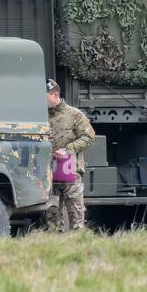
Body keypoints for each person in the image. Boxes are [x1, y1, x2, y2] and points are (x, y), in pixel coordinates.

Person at [45, 78, 95, 232]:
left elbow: (89, 137)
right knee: (51, 219)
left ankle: (79, 250)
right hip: (49, 171)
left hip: (70, 170)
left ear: (55, 94)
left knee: (76, 217)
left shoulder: (74, 115)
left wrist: (67, 149)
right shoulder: (41, 117)